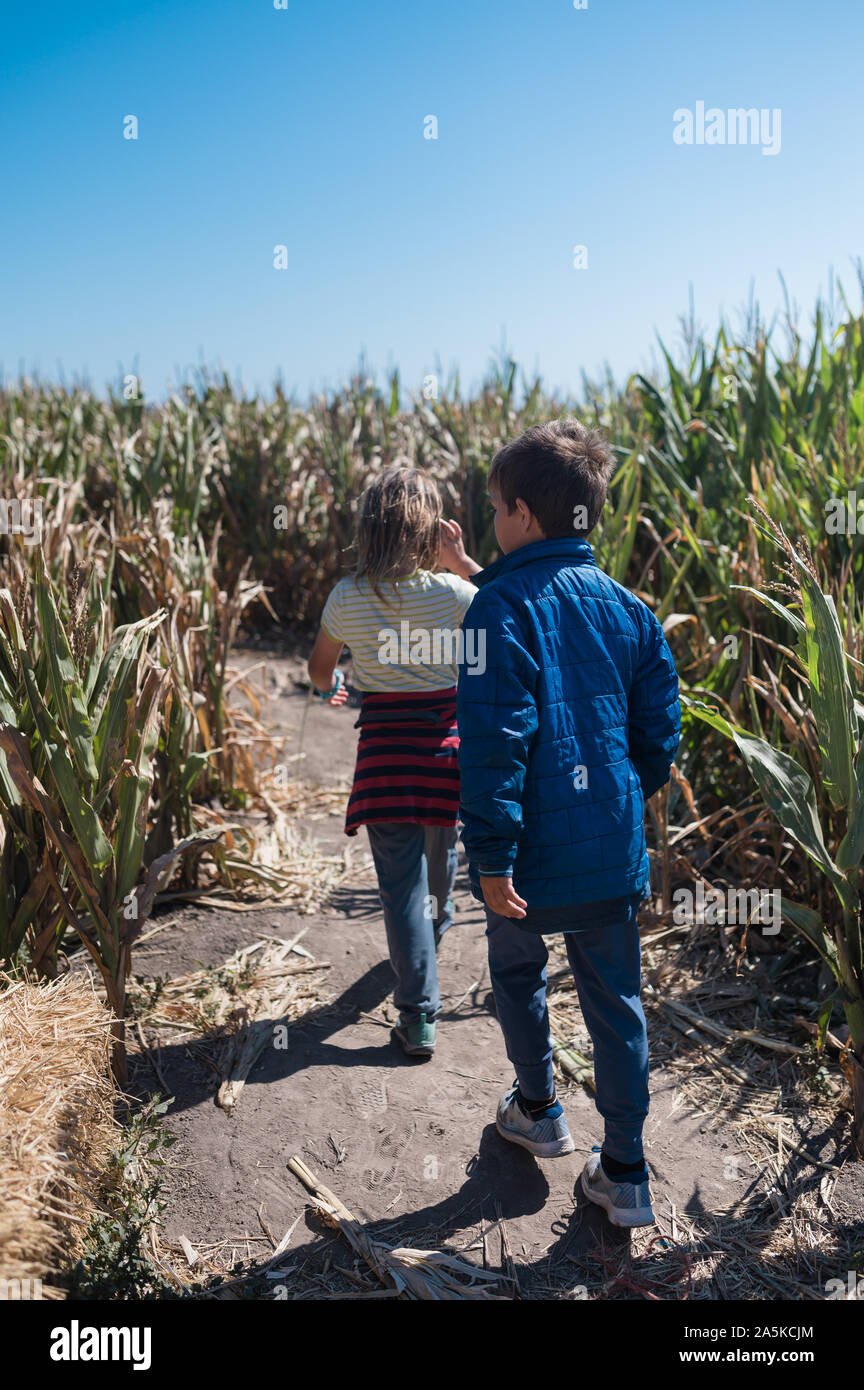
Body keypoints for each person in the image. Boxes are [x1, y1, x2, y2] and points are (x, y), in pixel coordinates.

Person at [456, 419, 680, 1227]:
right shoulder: (630, 610)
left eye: (494, 509)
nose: (492, 523)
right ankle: (624, 1171)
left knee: (516, 973)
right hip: (611, 855)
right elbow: (660, 732)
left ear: (522, 513)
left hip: (528, 859)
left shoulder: (493, 609)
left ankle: (539, 1108)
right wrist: (620, 796)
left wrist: (491, 849)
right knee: (617, 1005)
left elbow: (493, 740)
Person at [307, 466, 480, 1057]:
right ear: (431, 531)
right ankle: (433, 931)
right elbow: (511, 618)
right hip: (447, 758)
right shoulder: (456, 595)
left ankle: (417, 1015)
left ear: (369, 529)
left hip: (384, 760)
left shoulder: (346, 596)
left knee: (400, 888)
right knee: (441, 859)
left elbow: (319, 669)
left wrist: (332, 686)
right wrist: (461, 563)